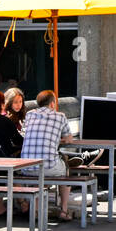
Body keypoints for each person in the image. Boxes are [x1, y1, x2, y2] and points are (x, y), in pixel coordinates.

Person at [19, 89, 75, 219]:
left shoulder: (30, 114)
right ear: (52, 104)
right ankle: (64, 211)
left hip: (26, 168)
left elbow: (23, 134)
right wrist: (56, 139)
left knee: (39, 173)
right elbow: (69, 139)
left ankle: (37, 212)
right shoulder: (60, 116)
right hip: (49, 167)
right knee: (65, 169)